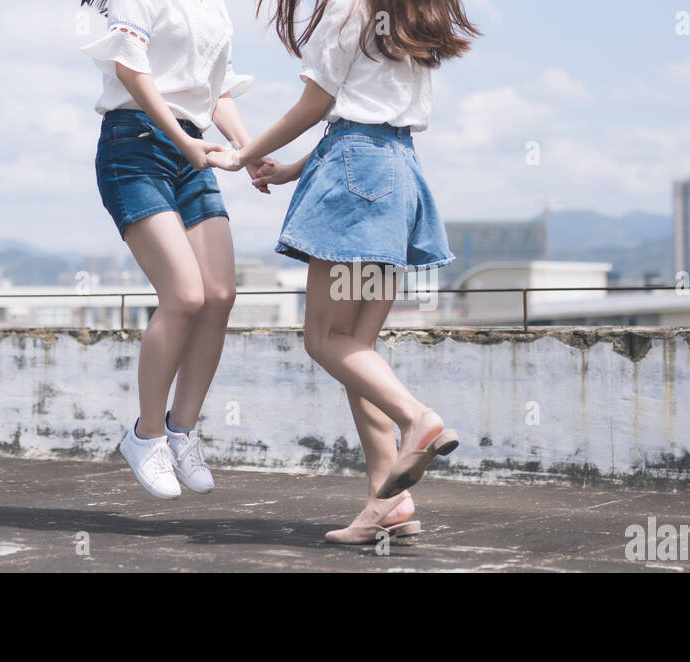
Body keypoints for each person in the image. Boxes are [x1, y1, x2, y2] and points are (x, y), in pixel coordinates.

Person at [209, 0, 479, 543]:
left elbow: (318, 103)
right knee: (357, 351)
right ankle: (389, 502)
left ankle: (416, 418)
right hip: (397, 173)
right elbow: (366, 122)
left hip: (356, 178)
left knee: (325, 338)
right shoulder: (408, 16)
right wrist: (289, 169)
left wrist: (245, 153)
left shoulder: (348, 10)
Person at [80, 0, 271, 500]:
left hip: (193, 150)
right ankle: (147, 435)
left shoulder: (214, 9)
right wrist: (182, 141)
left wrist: (248, 151)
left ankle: (181, 430)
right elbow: (130, 69)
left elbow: (215, 91)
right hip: (135, 145)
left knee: (220, 294)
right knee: (184, 295)